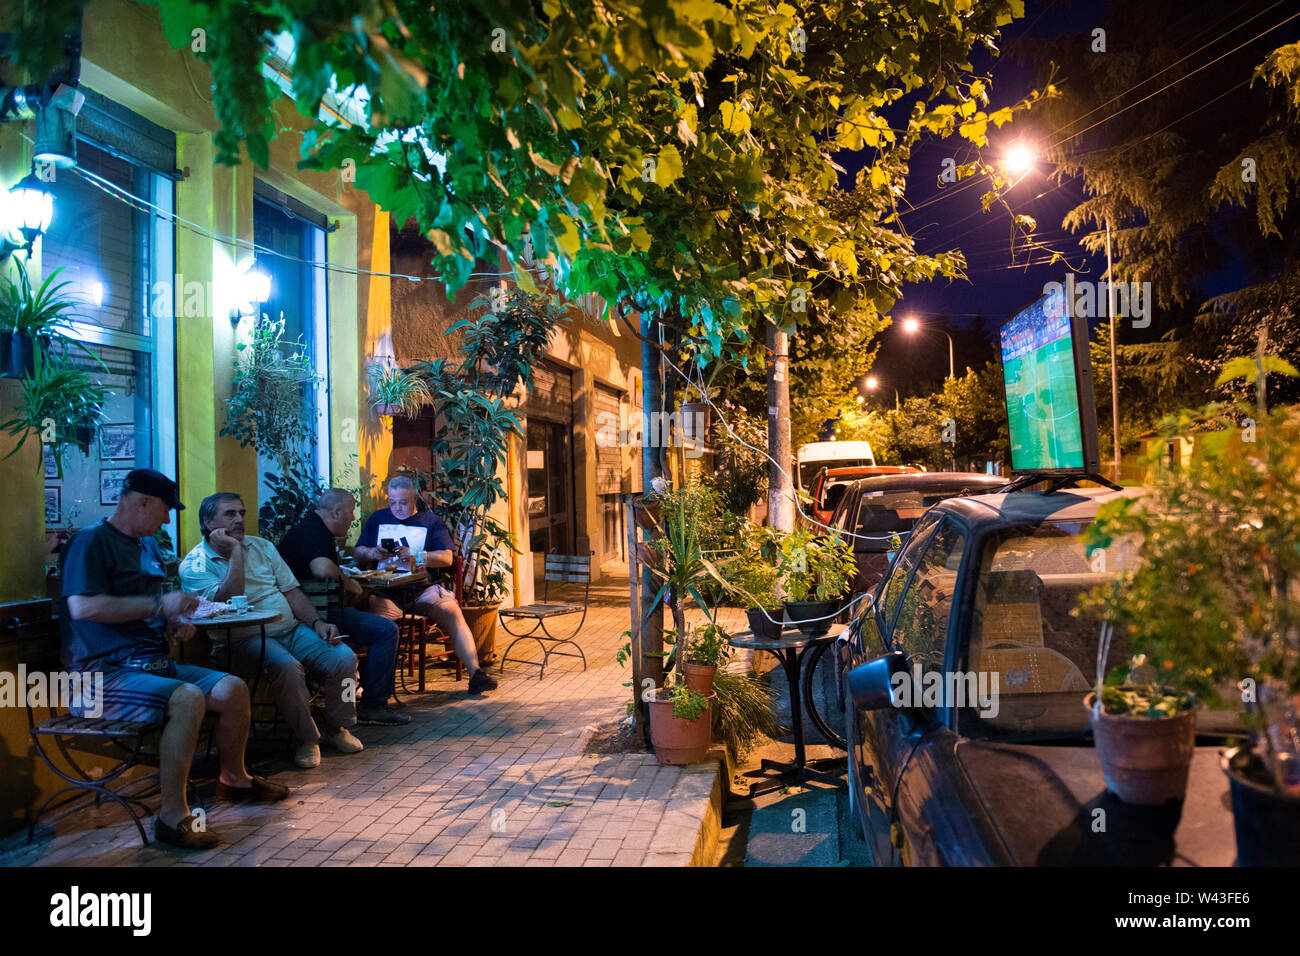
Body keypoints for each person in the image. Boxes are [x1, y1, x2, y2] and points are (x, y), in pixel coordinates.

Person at [60, 469, 289, 851]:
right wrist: (158, 605)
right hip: (97, 677)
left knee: (232, 689)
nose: (168, 519)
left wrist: (174, 623)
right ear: (141, 502)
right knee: (186, 697)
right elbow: (82, 607)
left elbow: (151, 610)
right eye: (166, 509)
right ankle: (171, 817)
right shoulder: (90, 542)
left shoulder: (148, 545)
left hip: (152, 666)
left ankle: (234, 779)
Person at [178, 493, 364, 770]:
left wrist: (316, 623)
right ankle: (307, 739)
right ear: (208, 521)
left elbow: (292, 593)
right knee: (287, 667)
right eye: (230, 514)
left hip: (290, 630)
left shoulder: (263, 547)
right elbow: (229, 597)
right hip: (241, 640)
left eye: (241, 512)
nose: (240, 519)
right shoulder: (195, 564)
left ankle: (338, 726)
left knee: (344, 658)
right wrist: (236, 554)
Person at [353, 476, 498, 694]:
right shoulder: (378, 519)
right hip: (387, 591)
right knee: (375, 621)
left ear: (414, 498)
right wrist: (372, 552)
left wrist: (417, 556)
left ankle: (476, 673)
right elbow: (358, 551)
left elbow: (447, 558)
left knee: (452, 612)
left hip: (424, 590)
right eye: (392, 502)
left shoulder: (430, 522)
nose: (397, 508)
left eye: (403, 502)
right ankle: (373, 687)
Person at [277, 488, 410, 726]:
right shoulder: (313, 531)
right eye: (350, 511)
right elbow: (322, 569)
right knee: (385, 630)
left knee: (374, 619)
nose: (353, 518)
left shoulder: (310, 527)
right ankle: (373, 705)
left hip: (317, 612)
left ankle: (353, 710)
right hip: (314, 615)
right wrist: (349, 583)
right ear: (337, 512)